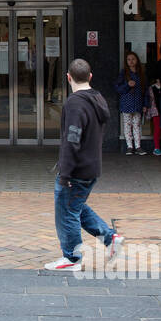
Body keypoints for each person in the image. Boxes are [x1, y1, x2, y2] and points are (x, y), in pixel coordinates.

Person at [45, 58, 124, 271]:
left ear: (68, 77)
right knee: (75, 206)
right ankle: (110, 238)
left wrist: (65, 174)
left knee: (66, 211)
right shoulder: (98, 98)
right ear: (90, 76)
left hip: (77, 169)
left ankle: (71, 258)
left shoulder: (75, 103)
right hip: (92, 166)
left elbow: (72, 139)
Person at [115, 50, 147, 156]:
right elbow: (118, 88)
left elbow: (145, 90)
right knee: (127, 125)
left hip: (138, 103)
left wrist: (145, 104)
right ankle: (129, 146)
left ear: (137, 60)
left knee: (137, 125)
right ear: (126, 61)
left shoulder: (141, 73)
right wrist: (128, 85)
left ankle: (138, 146)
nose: (131, 61)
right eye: (129, 59)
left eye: (133, 59)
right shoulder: (123, 73)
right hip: (126, 103)